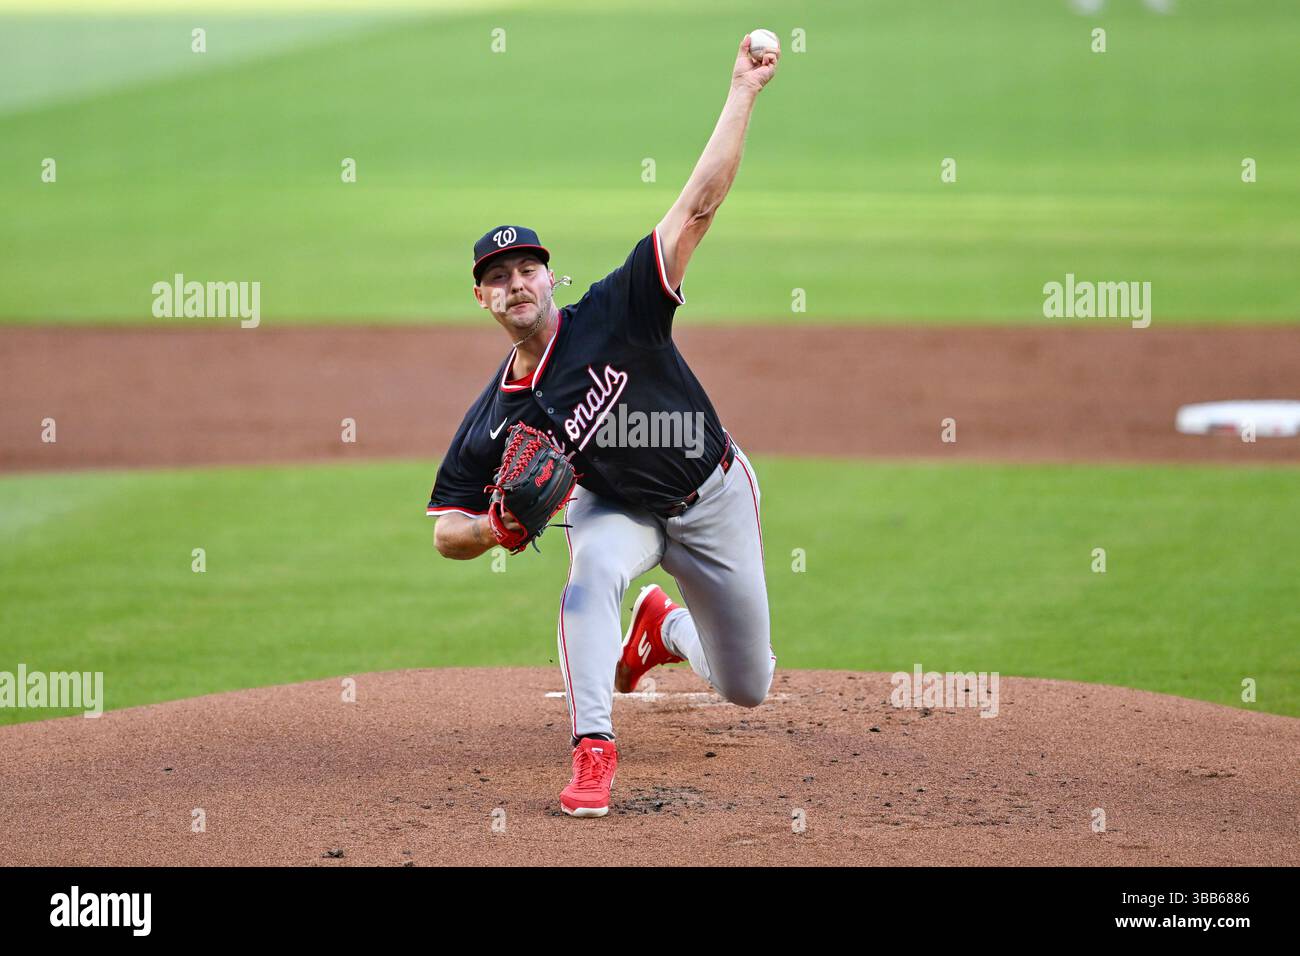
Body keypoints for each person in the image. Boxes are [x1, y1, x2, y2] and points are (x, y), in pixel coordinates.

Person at [428, 33, 781, 817]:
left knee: (747, 685)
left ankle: (661, 630)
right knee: (588, 573)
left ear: (551, 275)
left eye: (526, 268)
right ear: (482, 300)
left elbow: (697, 206)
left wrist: (742, 92)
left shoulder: (620, 309)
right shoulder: (495, 414)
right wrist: (491, 529)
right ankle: (594, 752)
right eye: (497, 279)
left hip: (711, 492)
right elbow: (445, 529)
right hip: (615, 509)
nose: (515, 283)